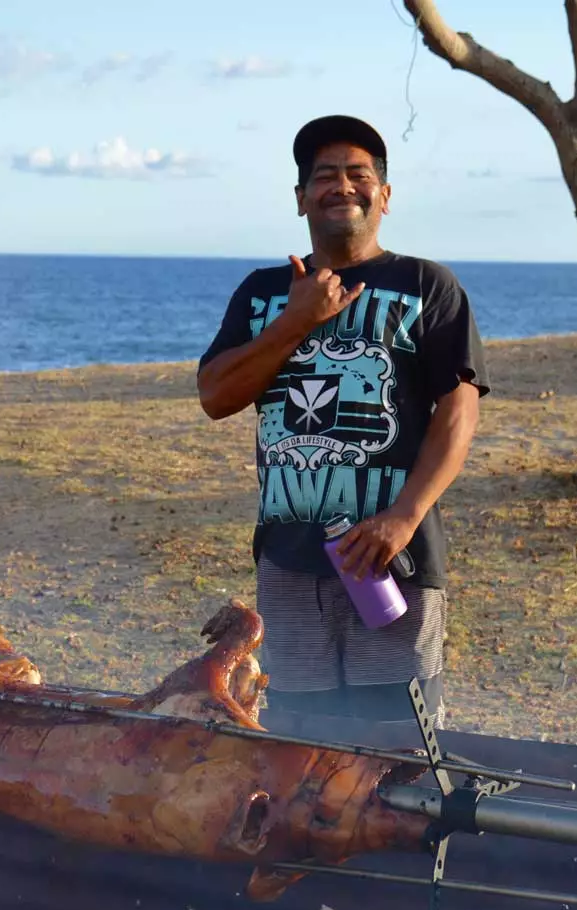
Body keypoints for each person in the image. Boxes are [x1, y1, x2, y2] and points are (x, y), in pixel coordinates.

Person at [195, 114, 488, 733]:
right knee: (299, 742)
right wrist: (295, 320)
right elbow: (217, 395)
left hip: (392, 560)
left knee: (397, 746)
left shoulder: (425, 285)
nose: (342, 186)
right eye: (324, 176)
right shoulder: (263, 292)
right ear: (301, 198)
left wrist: (404, 517)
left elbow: (459, 409)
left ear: (385, 195)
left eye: (359, 174)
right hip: (290, 561)